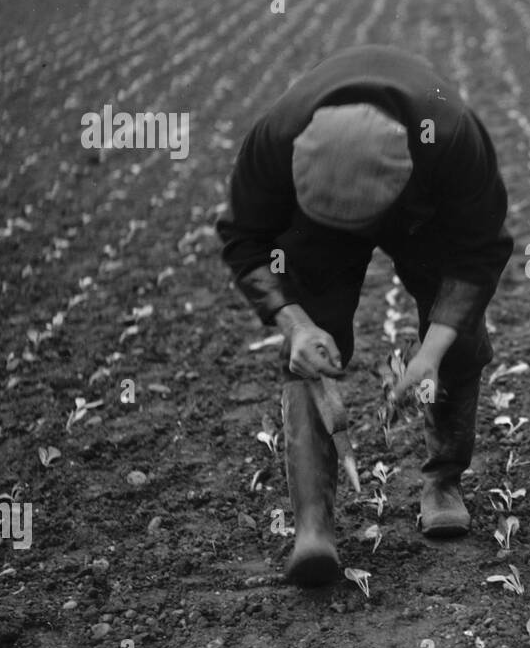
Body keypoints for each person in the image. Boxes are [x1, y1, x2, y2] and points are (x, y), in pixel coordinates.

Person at [216, 46, 514, 586]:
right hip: (317, 227)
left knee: (459, 340)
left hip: (422, 217)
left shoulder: (450, 138)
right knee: (309, 352)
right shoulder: (276, 140)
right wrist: (295, 323)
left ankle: (443, 481)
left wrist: (430, 353)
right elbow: (243, 239)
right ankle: (313, 523)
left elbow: (480, 253)